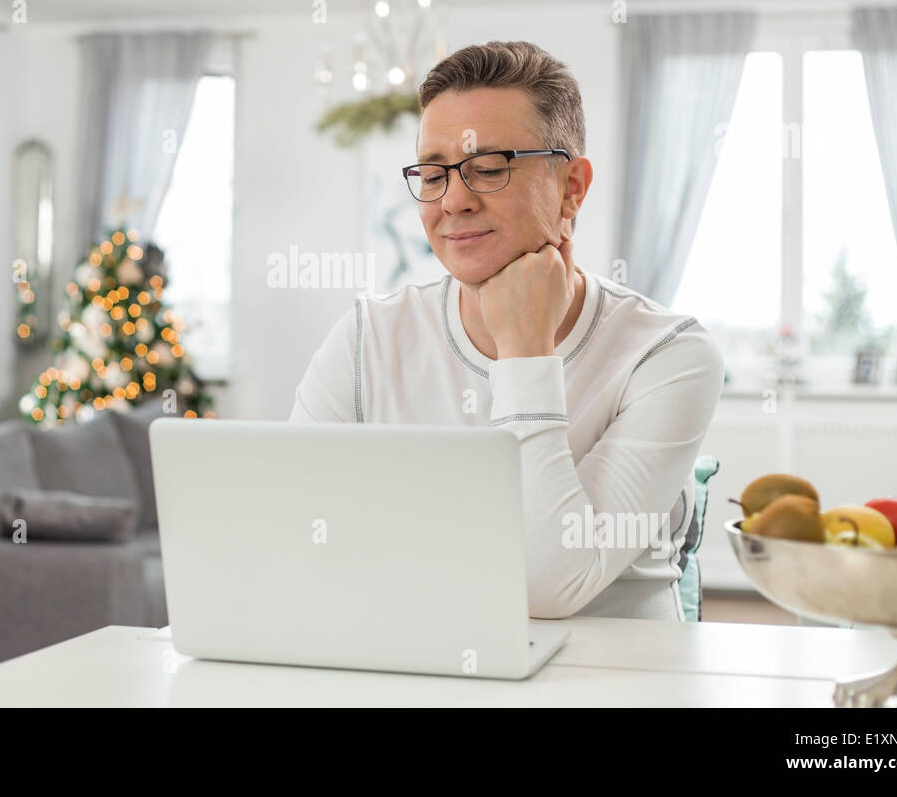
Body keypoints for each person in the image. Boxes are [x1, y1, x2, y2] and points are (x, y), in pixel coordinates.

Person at [288, 40, 726, 621]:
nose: (454, 201)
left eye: (488, 170)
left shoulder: (670, 354)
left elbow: (547, 585)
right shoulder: (366, 338)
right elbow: (294, 539)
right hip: (424, 663)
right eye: (433, 173)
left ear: (572, 187)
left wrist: (524, 351)